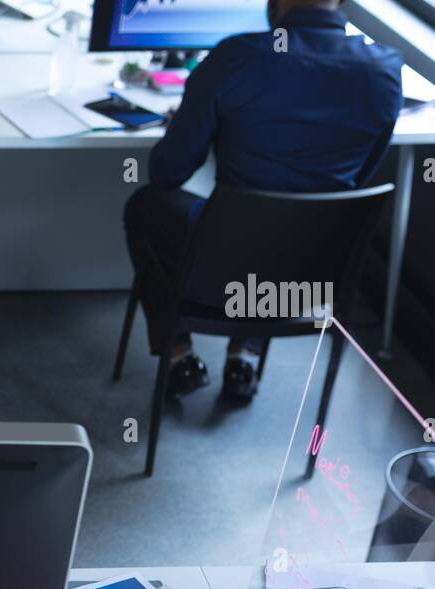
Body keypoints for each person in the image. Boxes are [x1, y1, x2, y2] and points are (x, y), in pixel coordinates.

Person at [123, 0, 403, 402]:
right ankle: (244, 358)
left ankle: (179, 355)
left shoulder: (237, 57)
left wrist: (196, 116)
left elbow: (167, 173)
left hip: (222, 278)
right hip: (310, 282)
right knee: (279, 226)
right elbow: (360, 175)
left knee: (146, 204)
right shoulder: (385, 69)